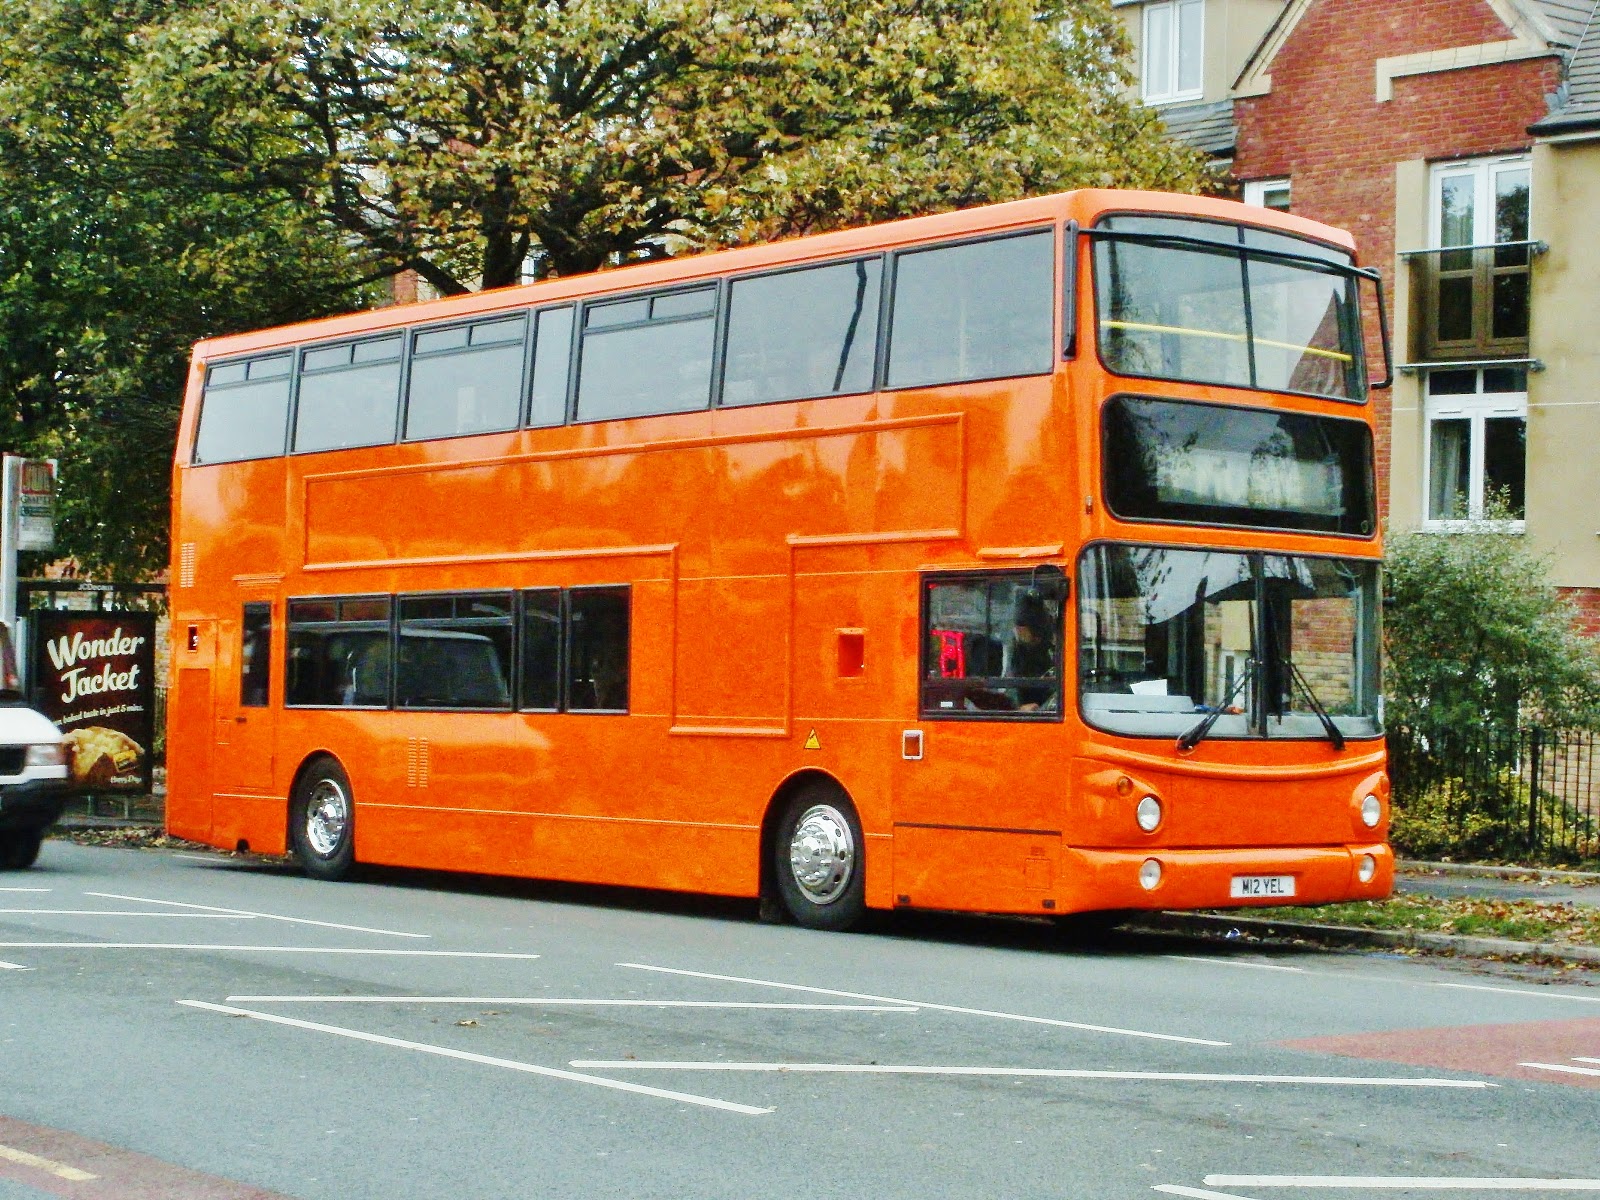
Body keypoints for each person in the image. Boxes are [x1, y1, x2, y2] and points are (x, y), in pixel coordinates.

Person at [1010, 592, 1057, 711]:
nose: (1017, 632)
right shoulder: (1014, 651)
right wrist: (1017, 708)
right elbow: (1006, 686)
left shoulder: (1051, 650)